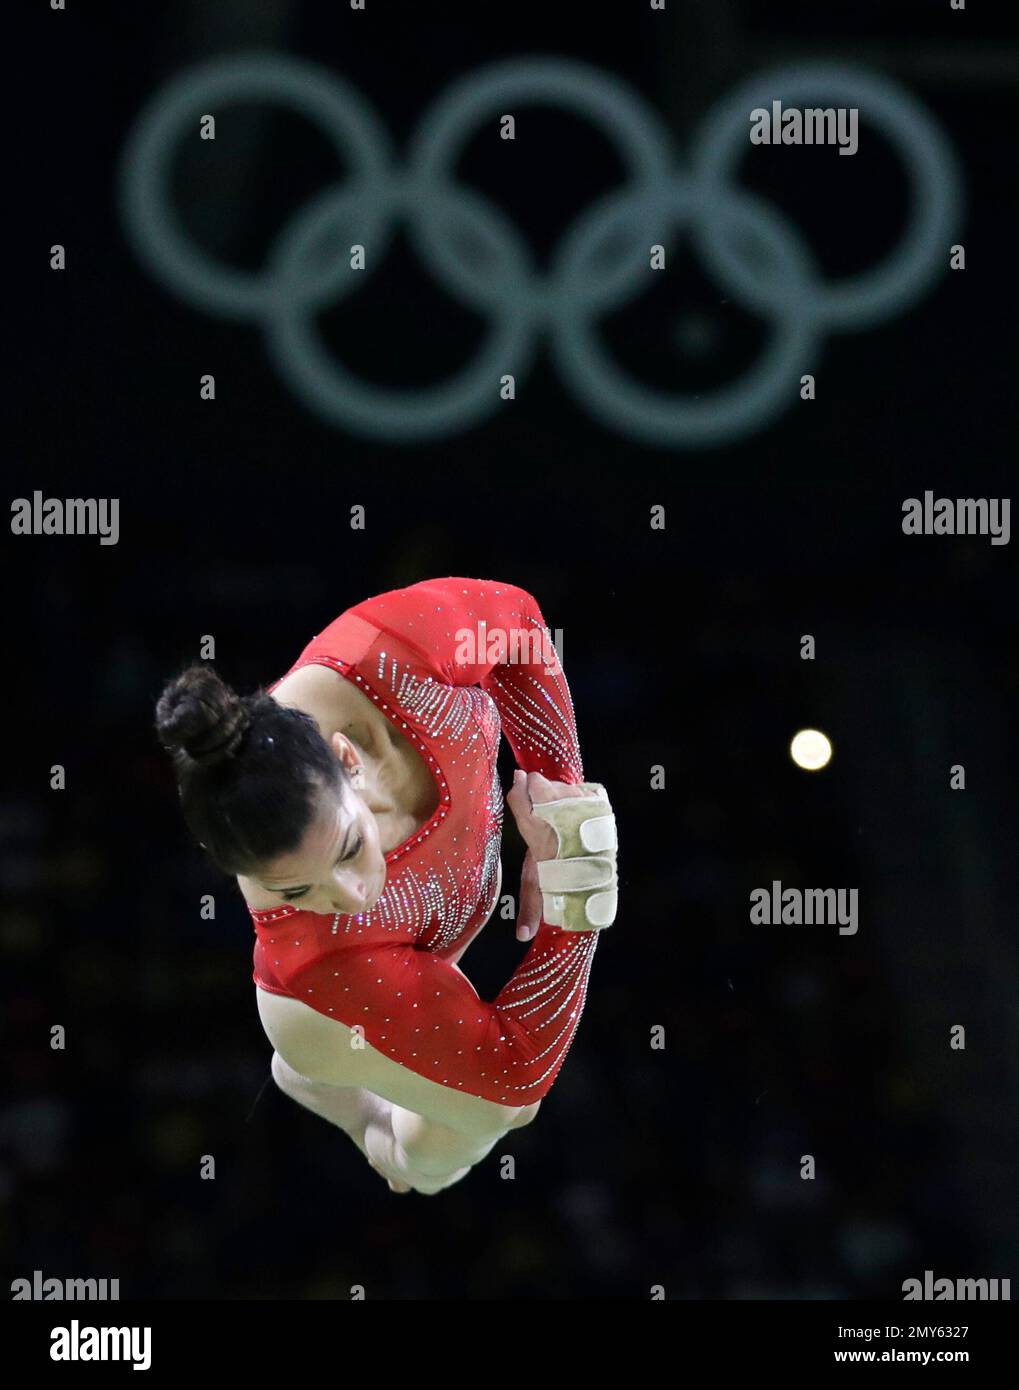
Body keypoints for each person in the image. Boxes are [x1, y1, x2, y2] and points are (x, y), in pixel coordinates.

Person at [155, 577, 619, 1193]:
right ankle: (334, 1096)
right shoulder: (319, 954)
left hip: (433, 922)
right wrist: (576, 908)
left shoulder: (390, 653)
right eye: (296, 891)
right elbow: (518, 1082)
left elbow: (522, 629)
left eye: (348, 847)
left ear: (347, 757)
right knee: (460, 1142)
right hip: (325, 1017)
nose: (349, 897)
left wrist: (556, 795)